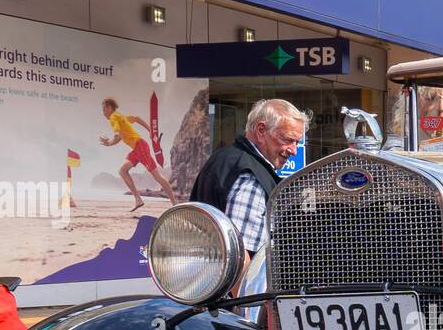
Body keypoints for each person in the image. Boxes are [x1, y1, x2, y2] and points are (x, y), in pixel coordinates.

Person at [189, 98, 309, 264]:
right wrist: (247, 290)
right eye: (288, 140)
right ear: (261, 131)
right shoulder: (250, 176)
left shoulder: (225, 158)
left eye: (297, 142)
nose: (294, 150)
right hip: (235, 287)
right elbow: (241, 255)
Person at [99, 97, 178, 211]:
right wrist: (149, 129)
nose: (103, 113)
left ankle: (174, 203)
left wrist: (109, 143)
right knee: (122, 170)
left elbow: (117, 136)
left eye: (104, 110)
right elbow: (136, 119)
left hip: (140, 147)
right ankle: (138, 199)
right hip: (137, 148)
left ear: (109, 107)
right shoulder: (121, 116)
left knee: (157, 177)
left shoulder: (113, 118)